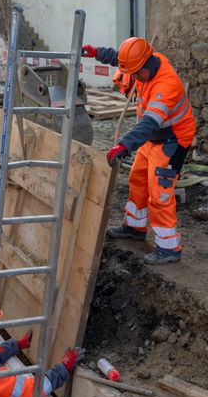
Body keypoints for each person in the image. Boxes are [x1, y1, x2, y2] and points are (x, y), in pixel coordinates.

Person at [83, 38, 196, 265]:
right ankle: (134, 227)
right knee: (138, 178)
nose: (133, 79)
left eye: (136, 74)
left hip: (173, 140)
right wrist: (95, 52)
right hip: (154, 138)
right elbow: (119, 57)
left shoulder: (167, 85)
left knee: (159, 193)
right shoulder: (142, 62)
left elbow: (149, 123)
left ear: (147, 65)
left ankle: (168, 248)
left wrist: (124, 145)